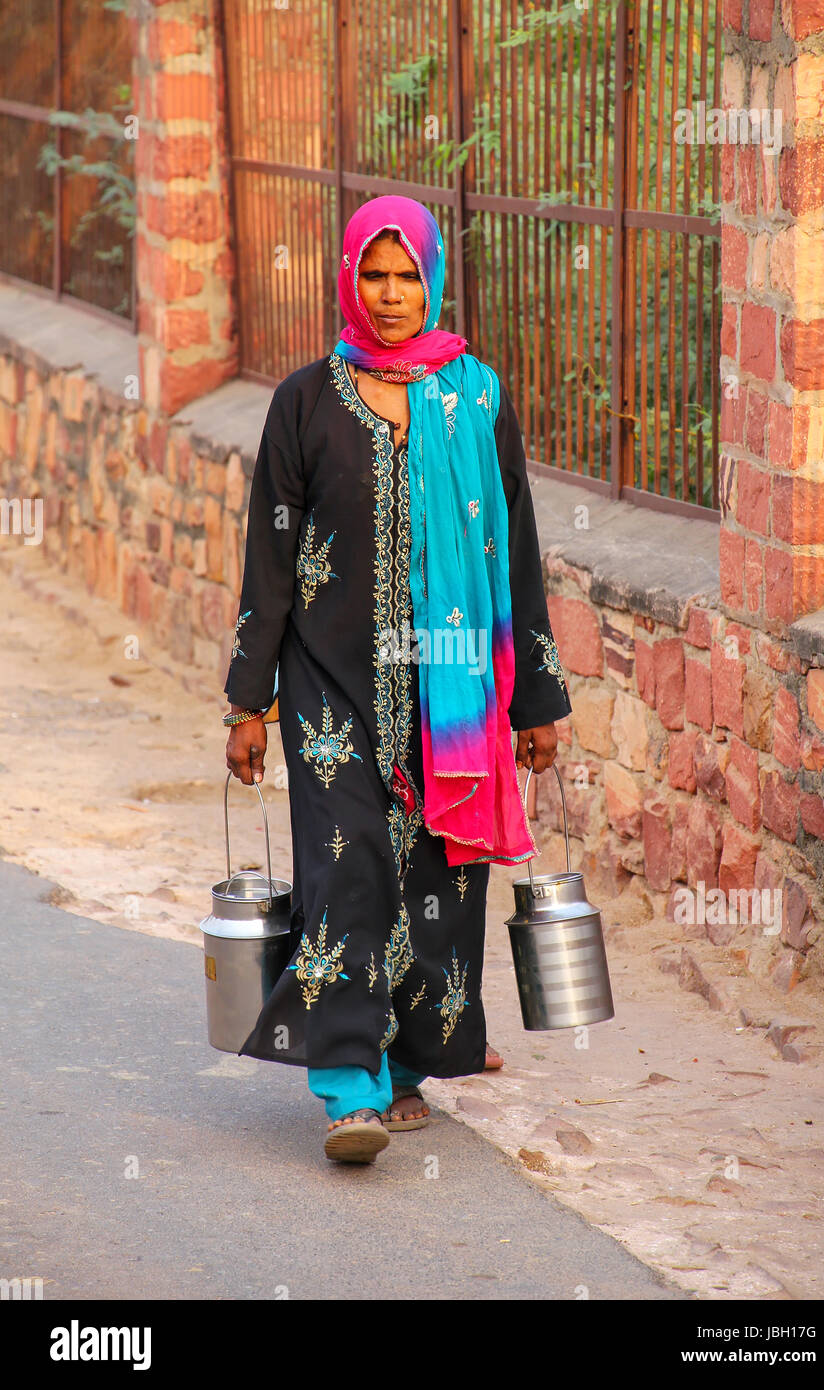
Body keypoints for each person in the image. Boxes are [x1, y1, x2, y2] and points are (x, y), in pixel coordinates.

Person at [223, 195, 571, 1164]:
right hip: (328, 687)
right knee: (346, 869)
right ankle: (347, 1083)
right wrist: (248, 700)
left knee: (436, 874)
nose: (387, 295)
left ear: (433, 279)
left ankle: (410, 1060)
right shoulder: (304, 401)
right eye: (372, 276)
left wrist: (534, 700)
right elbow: (270, 562)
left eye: (405, 275)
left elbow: (515, 554)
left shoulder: (474, 399)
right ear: (347, 279)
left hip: (447, 689)